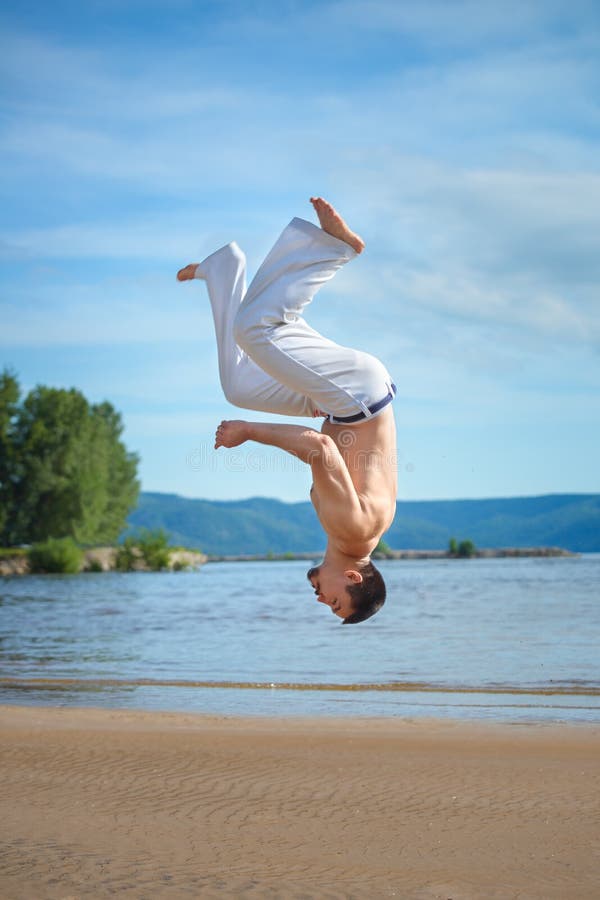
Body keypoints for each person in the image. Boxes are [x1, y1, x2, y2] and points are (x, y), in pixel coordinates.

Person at [177, 198, 397, 623]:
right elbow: (319, 449)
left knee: (239, 384)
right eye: (334, 602)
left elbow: (332, 446)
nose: (321, 601)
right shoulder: (352, 531)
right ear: (353, 577)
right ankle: (333, 248)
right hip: (354, 395)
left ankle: (224, 270)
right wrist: (249, 431)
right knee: (255, 328)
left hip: (344, 403)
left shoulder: (357, 535)